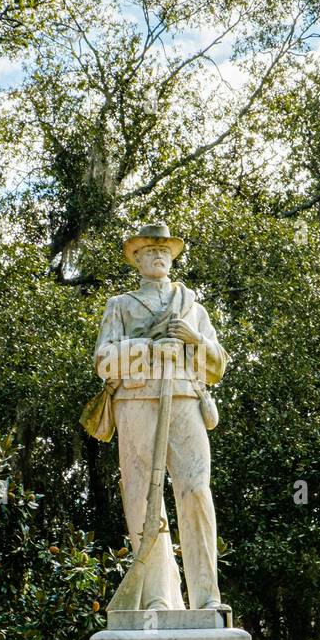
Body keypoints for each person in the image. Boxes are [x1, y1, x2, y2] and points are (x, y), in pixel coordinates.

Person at [91, 222, 228, 610]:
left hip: (185, 397)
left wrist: (192, 339)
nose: (158, 256)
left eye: (164, 250)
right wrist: (148, 348)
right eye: (149, 251)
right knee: (141, 496)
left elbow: (217, 367)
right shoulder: (121, 305)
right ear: (136, 259)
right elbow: (103, 360)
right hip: (136, 400)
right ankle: (158, 597)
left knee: (196, 490)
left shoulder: (192, 307)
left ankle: (206, 598)